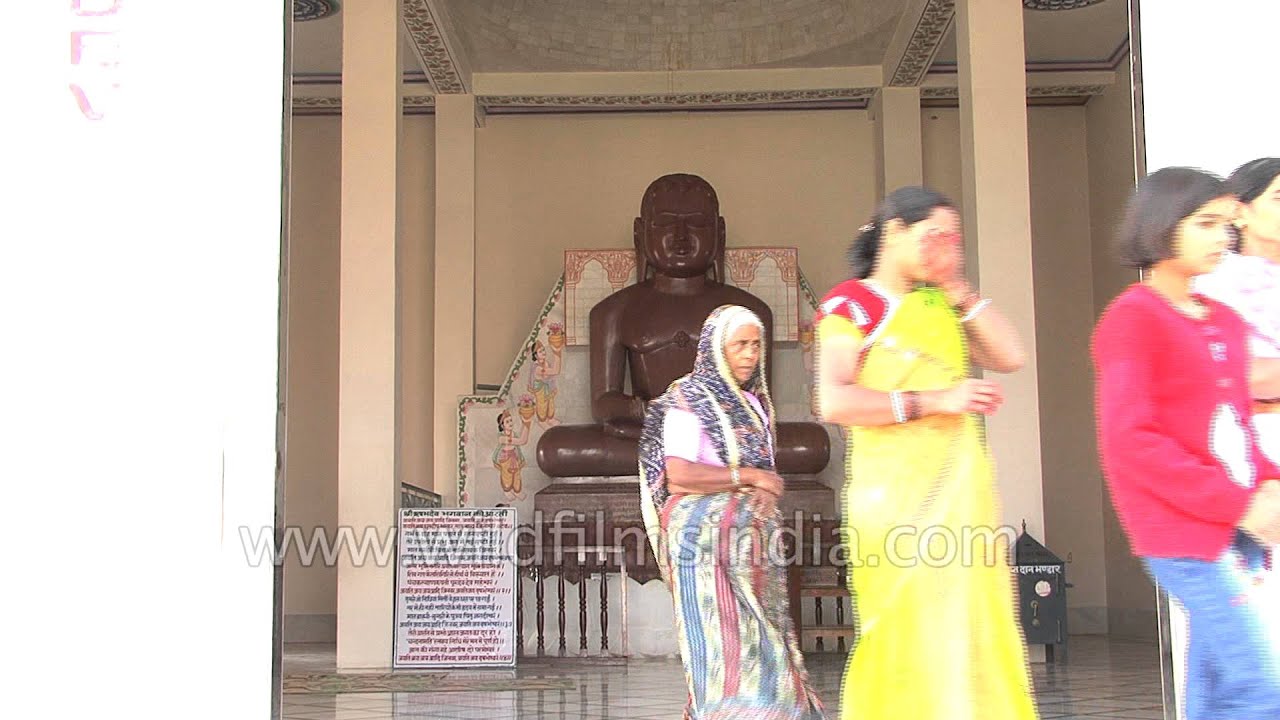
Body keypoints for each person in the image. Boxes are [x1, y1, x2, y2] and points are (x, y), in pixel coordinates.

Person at [813, 186, 1037, 719]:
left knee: (971, 624)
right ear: (894, 232)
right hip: (894, 501)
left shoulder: (938, 302)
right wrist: (939, 400)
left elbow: (1011, 356)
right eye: (935, 236)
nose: (946, 248)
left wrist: (958, 288)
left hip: (961, 497)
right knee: (903, 628)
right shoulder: (852, 304)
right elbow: (834, 398)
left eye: (954, 240)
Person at [1092, 167, 1280, 720]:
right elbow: (1130, 439)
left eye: (1226, 223)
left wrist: (1267, 483)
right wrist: (1239, 502)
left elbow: (1234, 427)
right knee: (1260, 686)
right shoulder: (1132, 318)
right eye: (1205, 223)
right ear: (1160, 227)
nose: (1222, 236)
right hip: (1180, 534)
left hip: (1236, 527)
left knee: (1220, 686)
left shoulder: (1222, 319)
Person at [637, 304, 826, 720]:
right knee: (724, 645)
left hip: (751, 549)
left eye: (756, 345)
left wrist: (764, 489)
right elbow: (678, 475)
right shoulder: (687, 398)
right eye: (739, 345)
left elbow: (767, 477)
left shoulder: (757, 405)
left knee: (765, 641)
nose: (749, 354)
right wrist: (750, 476)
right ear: (715, 348)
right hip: (703, 549)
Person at [1194, 158, 1280, 462]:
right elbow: (1235, 373)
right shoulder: (1215, 284)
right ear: (1240, 213)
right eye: (1278, 197)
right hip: (1253, 440)